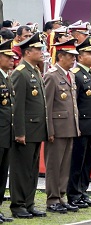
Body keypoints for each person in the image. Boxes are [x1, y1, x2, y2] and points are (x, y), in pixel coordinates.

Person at [9, 33, 49, 219]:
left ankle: (29, 202)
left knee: (32, 170)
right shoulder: (20, 73)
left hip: (36, 129)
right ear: (27, 52)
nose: (41, 52)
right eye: (38, 49)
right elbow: (17, 106)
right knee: (21, 170)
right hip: (25, 130)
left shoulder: (34, 71)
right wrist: (19, 132)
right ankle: (18, 205)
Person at [43, 39, 81, 214]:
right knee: (54, 165)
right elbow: (47, 106)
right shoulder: (51, 76)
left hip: (69, 126)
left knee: (65, 165)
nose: (73, 59)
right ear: (61, 56)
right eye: (70, 56)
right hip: (57, 128)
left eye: (74, 56)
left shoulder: (70, 75)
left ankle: (61, 196)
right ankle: (52, 199)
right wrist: (49, 129)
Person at [67, 39, 91, 209]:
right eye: (88, 53)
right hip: (81, 125)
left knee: (88, 160)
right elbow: (74, 103)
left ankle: (83, 191)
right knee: (77, 161)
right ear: (80, 57)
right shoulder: (76, 74)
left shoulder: (89, 73)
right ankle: (73, 193)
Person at [0, 39, 19, 223]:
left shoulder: (6, 76)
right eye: (8, 57)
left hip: (6, 134)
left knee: (1, 173)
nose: (12, 60)